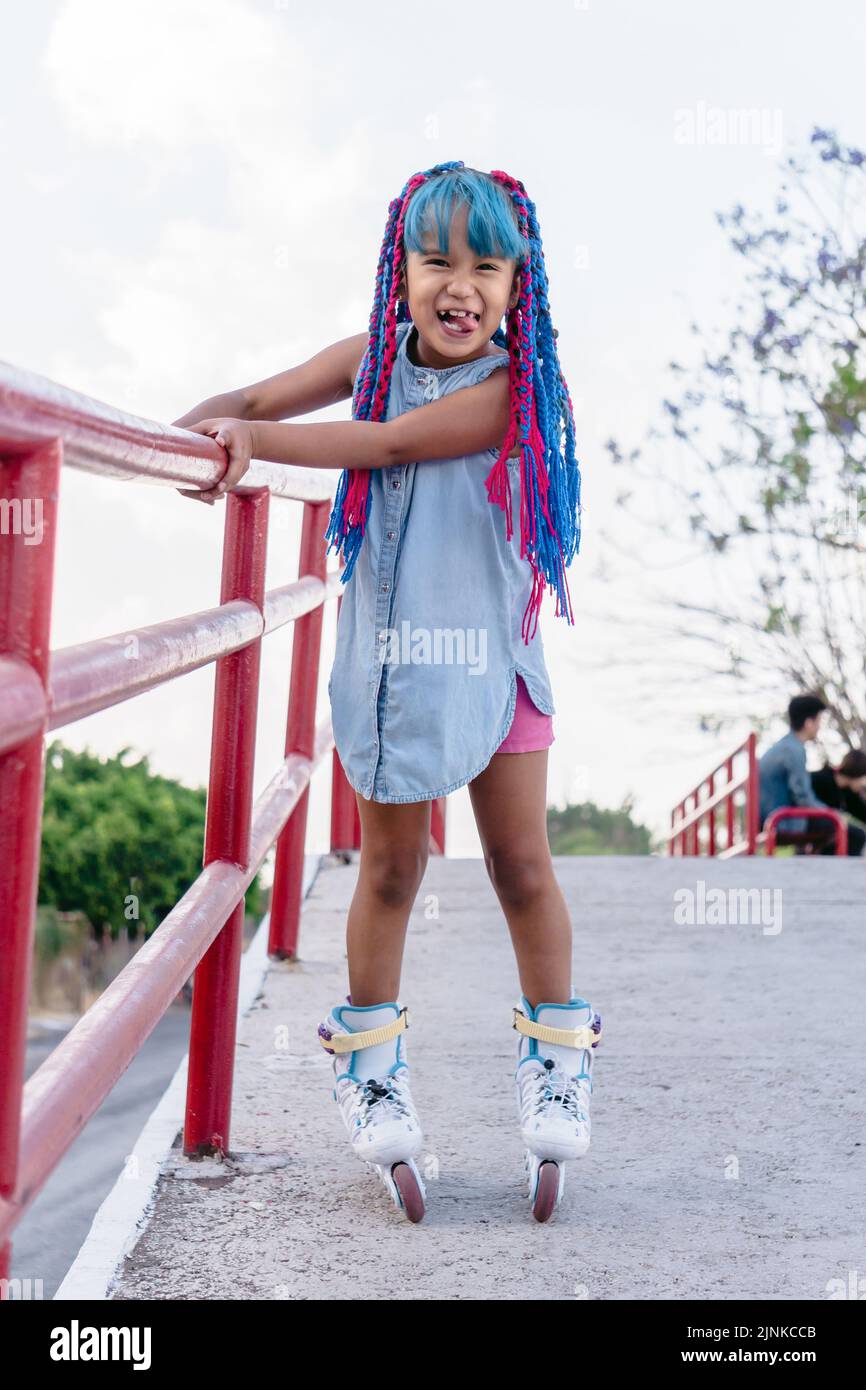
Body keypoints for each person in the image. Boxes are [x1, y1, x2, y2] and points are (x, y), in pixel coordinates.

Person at [172, 162, 601, 1222]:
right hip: (391, 677)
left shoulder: (512, 389)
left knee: (519, 864)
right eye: (436, 259)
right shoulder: (368, 359)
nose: (460, 285)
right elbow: (260, 398)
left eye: (486, 266)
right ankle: (368, 1063)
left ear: (516, 286)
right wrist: (197, 434)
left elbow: (387, 444)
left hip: (496, 666)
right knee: (391, 869)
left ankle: (556, 1059)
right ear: (397, 269)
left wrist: (259, 444)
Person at [758, 694, 829, 843]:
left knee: (828, 824)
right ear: (809, 723)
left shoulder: (782, 746)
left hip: (767, 818)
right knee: (852, 833)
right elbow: (802, 796)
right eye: (819, 721)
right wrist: (829, 812)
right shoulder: (794, 750)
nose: (819, 727)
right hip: (781, 822)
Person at [809, 750, 866, 856]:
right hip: (808, 823)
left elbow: (862, 812)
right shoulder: (820, 779)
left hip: (827, 830)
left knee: (856, 835)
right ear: (858, 773)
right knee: (857, 836)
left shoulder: (847, 792)